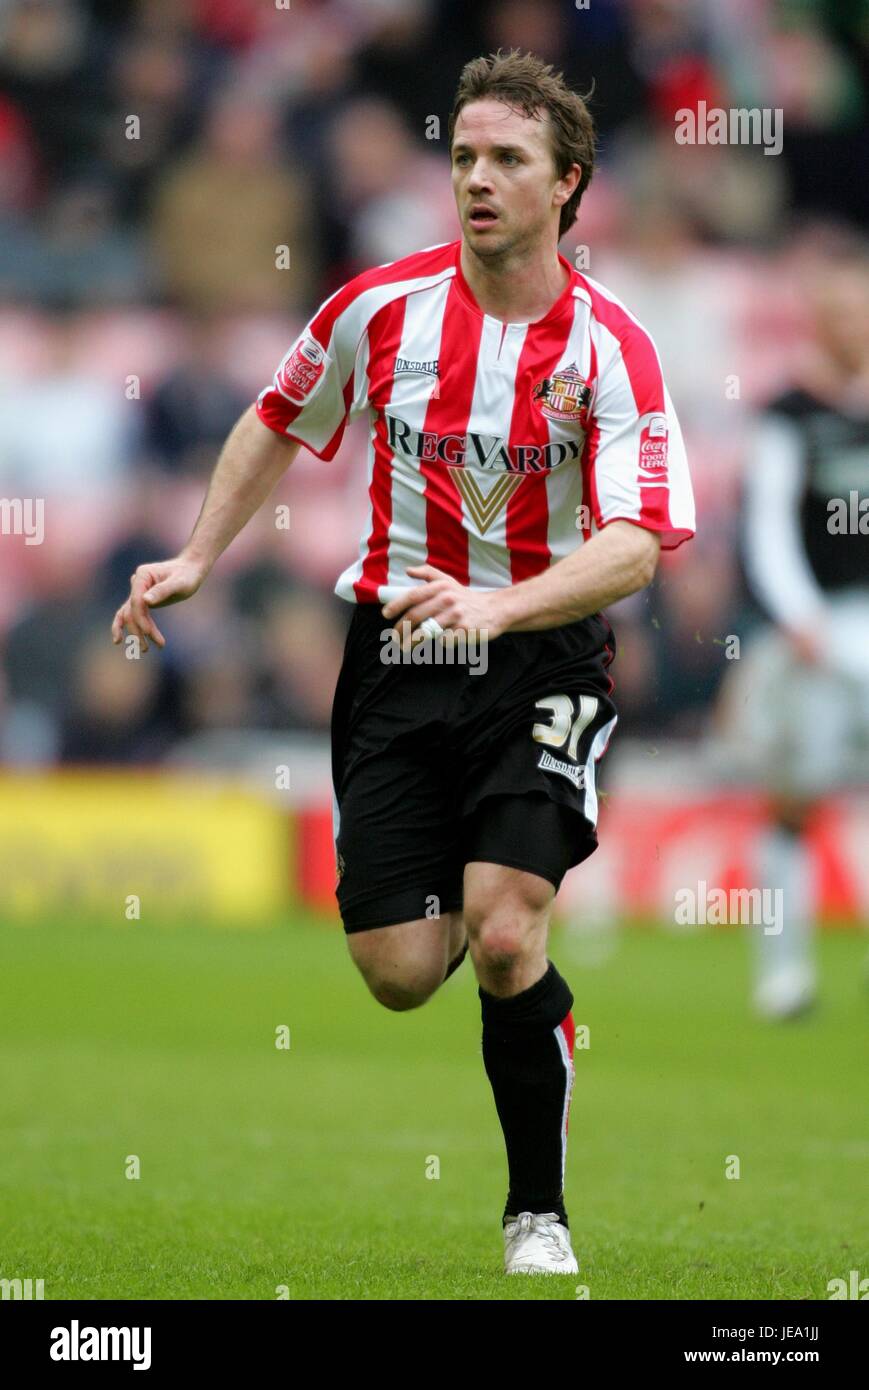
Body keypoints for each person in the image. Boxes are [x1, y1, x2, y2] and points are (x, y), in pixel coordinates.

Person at [112, 50, 695, 1275]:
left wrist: (502, 607)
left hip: (541, 660)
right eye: (463, 158)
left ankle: (535, 1210)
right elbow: (276, 419)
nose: (475, 181)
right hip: (396, 656)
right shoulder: (379, 309)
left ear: (567, 185)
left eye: (506, 162)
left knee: (499, 931)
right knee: (397, 971)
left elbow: (638, 545)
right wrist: (197, 556)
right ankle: (544, 1023)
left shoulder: (612, 350)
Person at [717, 240, 869, 1019]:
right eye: (836, 314)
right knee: (794, 799)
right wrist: (800, 616)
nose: (849, 327)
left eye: (858, 313)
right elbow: (767, 528)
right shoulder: (788, 415)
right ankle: (783, 973)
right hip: (824, 633)